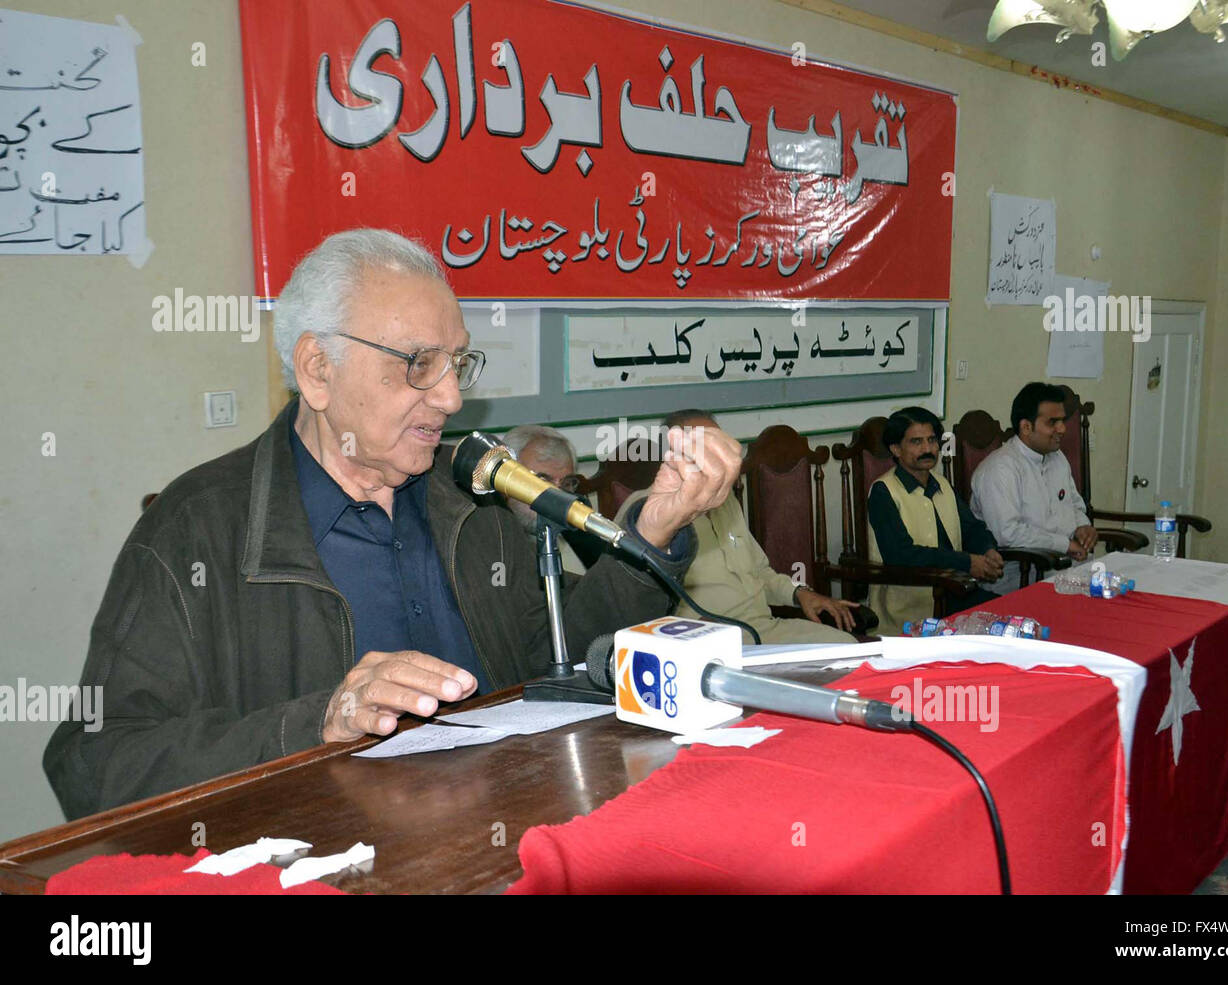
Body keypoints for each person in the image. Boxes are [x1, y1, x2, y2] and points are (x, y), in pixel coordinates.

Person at [44, 228, 741, 820]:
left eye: (457, 361)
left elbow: (548, 656)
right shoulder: (195, 530)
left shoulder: (469, 498)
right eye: (418, 364)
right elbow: (93, 761)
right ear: (318, 370)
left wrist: (651, 533)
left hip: (504, 840)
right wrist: (318, 722)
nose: (451, 394)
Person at [617, 411, 860, 645]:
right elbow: (631, 597)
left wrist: (800, 594)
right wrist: (688, 627)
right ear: (674, 454)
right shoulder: (647, 511)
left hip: (765, 630)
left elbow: (760, 571)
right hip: (704, 642)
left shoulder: (725, 501)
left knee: (846, 646)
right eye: (706, 447)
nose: (718, 455)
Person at [867, 406, 1003, 635]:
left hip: (955, 592)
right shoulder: (884, 491)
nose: (927, 449)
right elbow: (900, 554)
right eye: (916, 442)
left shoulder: (941, 484)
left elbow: (971, 528)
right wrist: (967, 563)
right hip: (911, 609)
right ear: (896, 449)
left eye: (931, 440)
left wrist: (988, 549)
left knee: (1012, 619)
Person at [970, 382, 1098, 596]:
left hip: (1068, 570)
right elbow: (1008, 534)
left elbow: (1075, 505)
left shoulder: (1057, 457)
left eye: (1063, 421)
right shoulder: (1000, 469)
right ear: (1026, 427)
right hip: (1020, 579)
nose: (1063, 429)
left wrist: (1082, 527)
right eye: (1053, 422)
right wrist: (1064, 545)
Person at [501, 424, 600, 574]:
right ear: (506, 479)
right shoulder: (491, 540)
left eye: (566, 483)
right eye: (542, 481)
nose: (556, 495)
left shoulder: (582, 536)